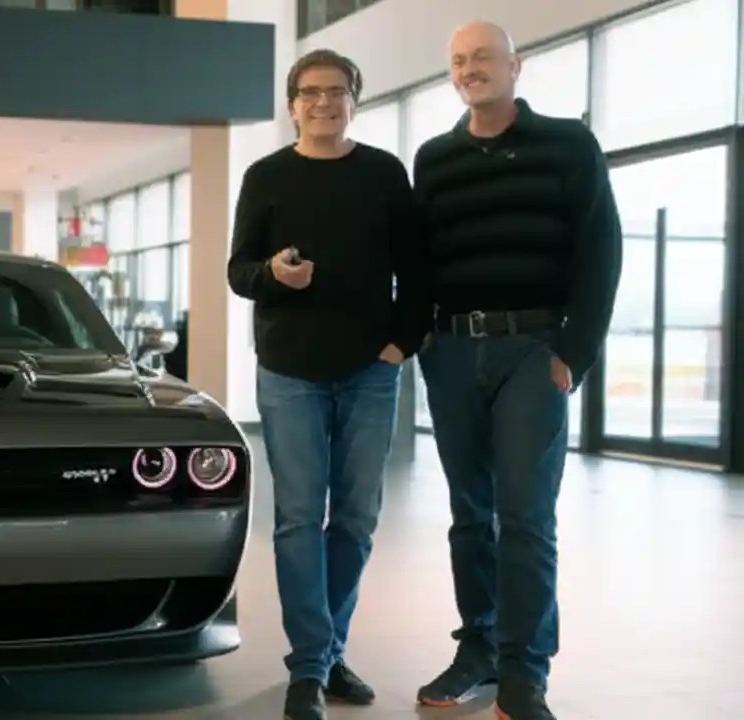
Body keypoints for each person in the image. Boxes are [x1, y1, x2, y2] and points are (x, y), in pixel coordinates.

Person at [410, 21, 622, 720]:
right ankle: (478, 650)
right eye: (459, 60)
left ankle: (524, 671)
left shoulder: (567, 144)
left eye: (483, 58)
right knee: (470, 517)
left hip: (534, 351)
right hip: (451, 351)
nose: (471, 69)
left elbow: (600, 248)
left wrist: (575, 352)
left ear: (515, 65)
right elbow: (421, 260)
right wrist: (417, 338)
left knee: (525, 517)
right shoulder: (434, 158)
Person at [226, 48, 428, 720]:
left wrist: (403, 344)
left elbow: (417, 269)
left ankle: (328, 650)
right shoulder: (266, 175)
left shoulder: (382, 173)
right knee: (296, 520)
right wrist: (272, 277)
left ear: (353, 100)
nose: (323, 102)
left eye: (336, 91)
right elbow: (238, 270)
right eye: (310, 92)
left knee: (355, 521)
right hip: (289, 370)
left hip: (372, 368)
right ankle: (312, 665)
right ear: (292, 105)